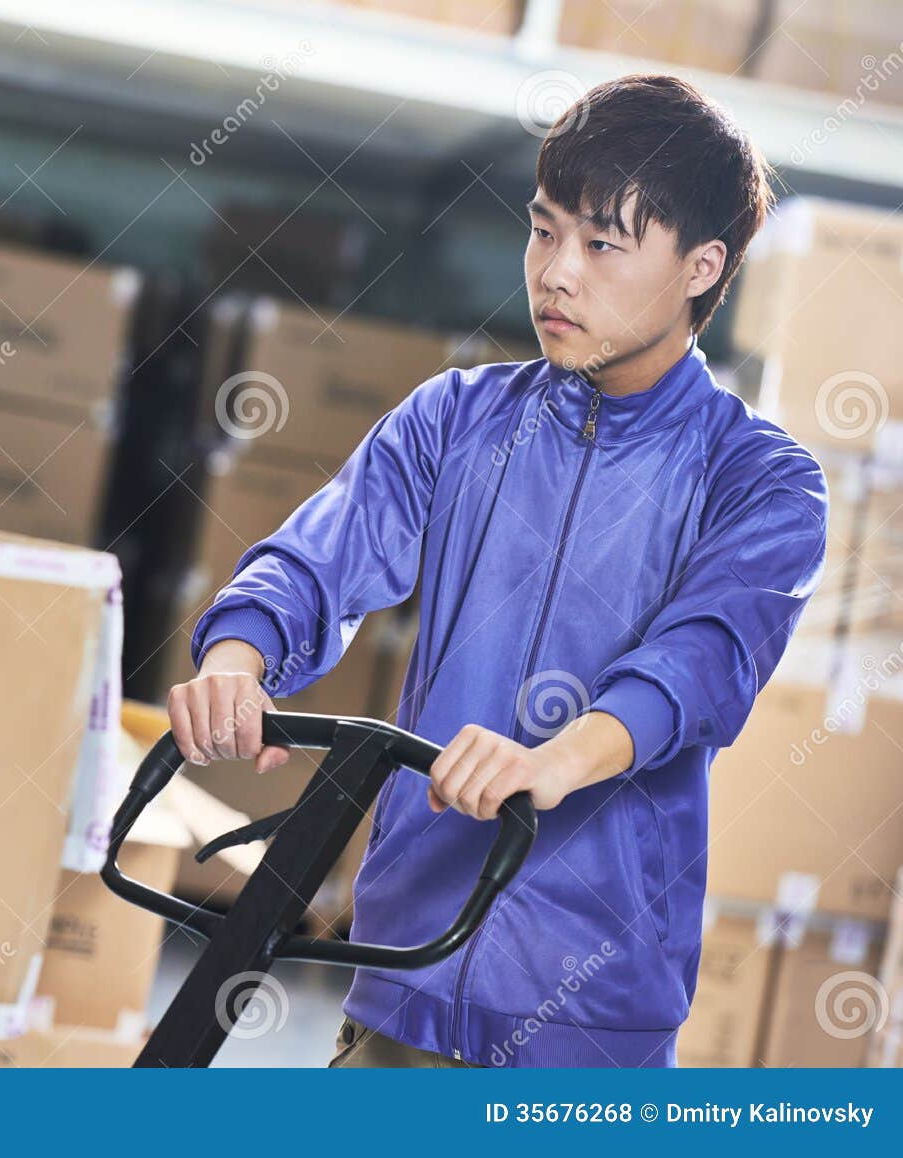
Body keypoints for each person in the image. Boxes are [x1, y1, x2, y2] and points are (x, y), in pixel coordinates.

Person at [170, 74, 828, 1068]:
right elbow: (318, 556)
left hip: (588, 1013)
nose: (555, 272)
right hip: (404, 971)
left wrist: (550, 763)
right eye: (542, 230)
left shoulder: (760, 482)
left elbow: (699, 662)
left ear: (701, 266)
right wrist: (237, 656)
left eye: (602, 243)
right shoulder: (456, 419)